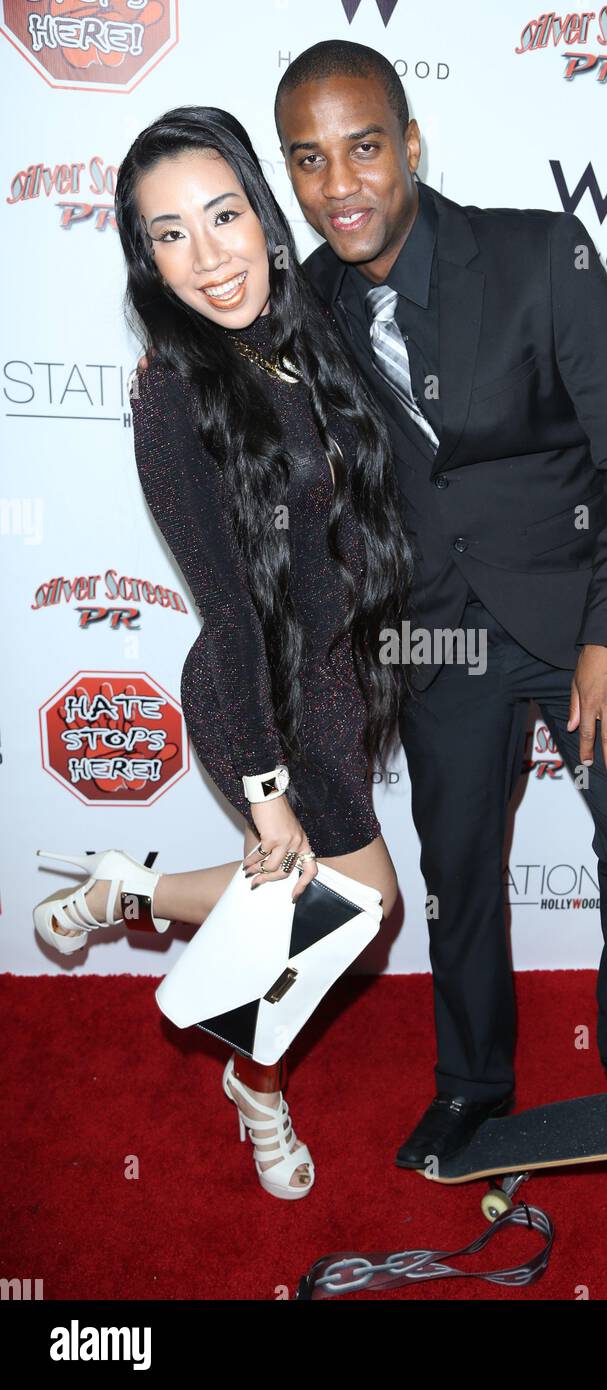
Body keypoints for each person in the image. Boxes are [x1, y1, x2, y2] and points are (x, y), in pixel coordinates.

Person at [274, 40, 607, 1166]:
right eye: (309, 160)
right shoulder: (304, 309)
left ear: (411, 145)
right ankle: (472, 1080)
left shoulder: (538, 255)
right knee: (456, 871)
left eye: (364, 148)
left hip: (579, 614)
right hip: (432, 633)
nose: (340, 184)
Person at [32, 105, 411, 1199]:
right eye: (170, 234)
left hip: (331, 680)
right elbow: (229, 612)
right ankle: (247, 1071)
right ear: (145, 260)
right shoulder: (172, 390)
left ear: (262, 215)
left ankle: (134, 902)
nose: (207, 255)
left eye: (223, 215)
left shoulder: (301, 331)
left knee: (304, 916)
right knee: (355, 899)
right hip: (262, 697)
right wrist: (265, 788)